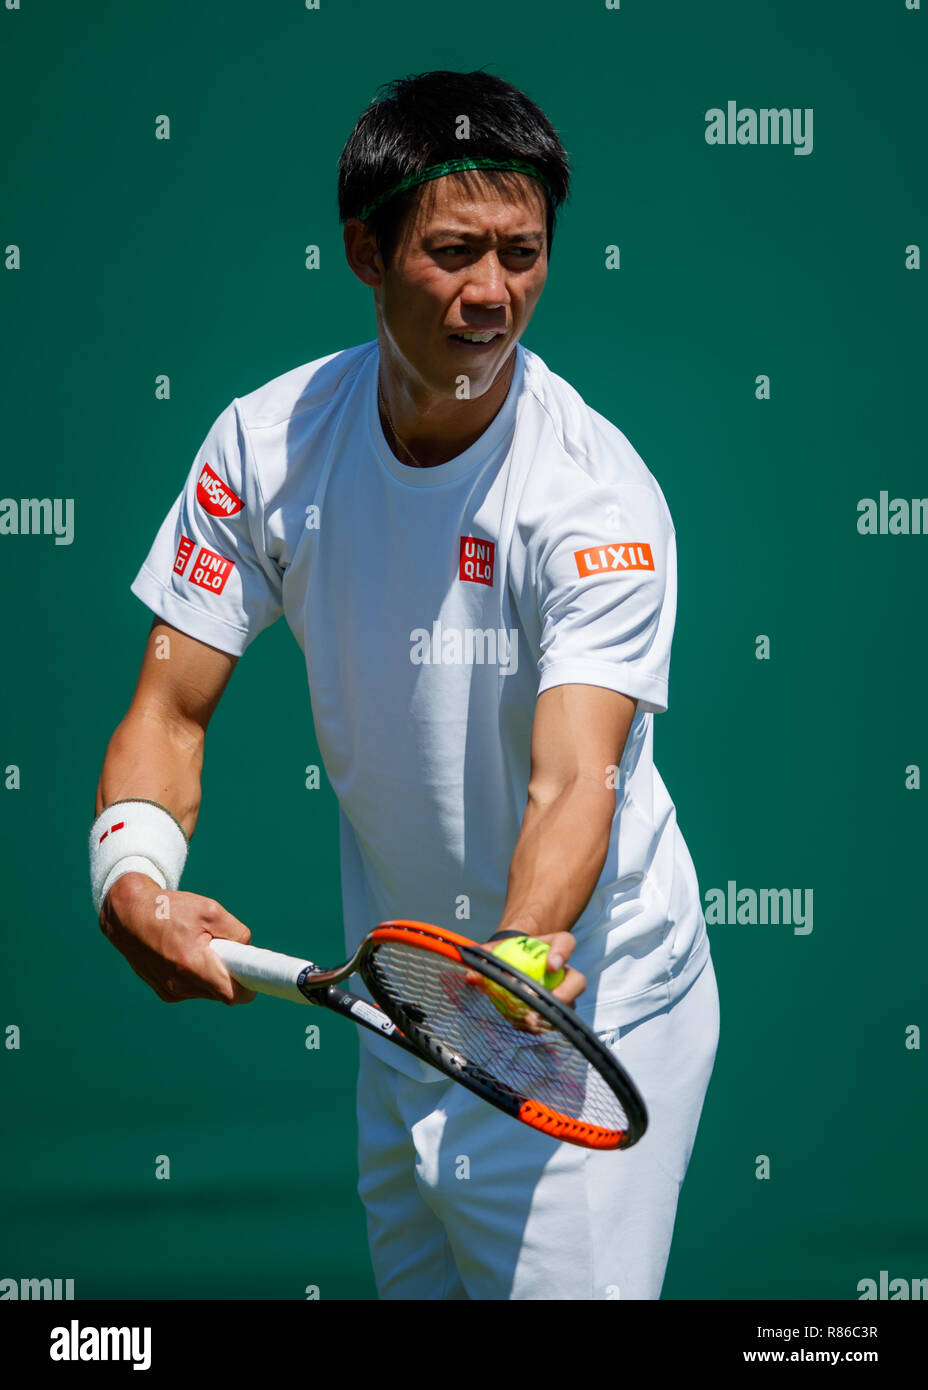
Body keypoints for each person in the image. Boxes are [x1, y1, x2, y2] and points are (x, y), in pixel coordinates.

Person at [90, 68, 719, 1300]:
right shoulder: (265, 446)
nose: (494, 295)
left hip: (575, 1019)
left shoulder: (595, 498)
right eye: (452, 253)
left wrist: (521, 959)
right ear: (364, 252)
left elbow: (575, 776)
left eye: (523, 254)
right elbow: (168, 704)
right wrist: (130, 877)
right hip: (410, 1014)